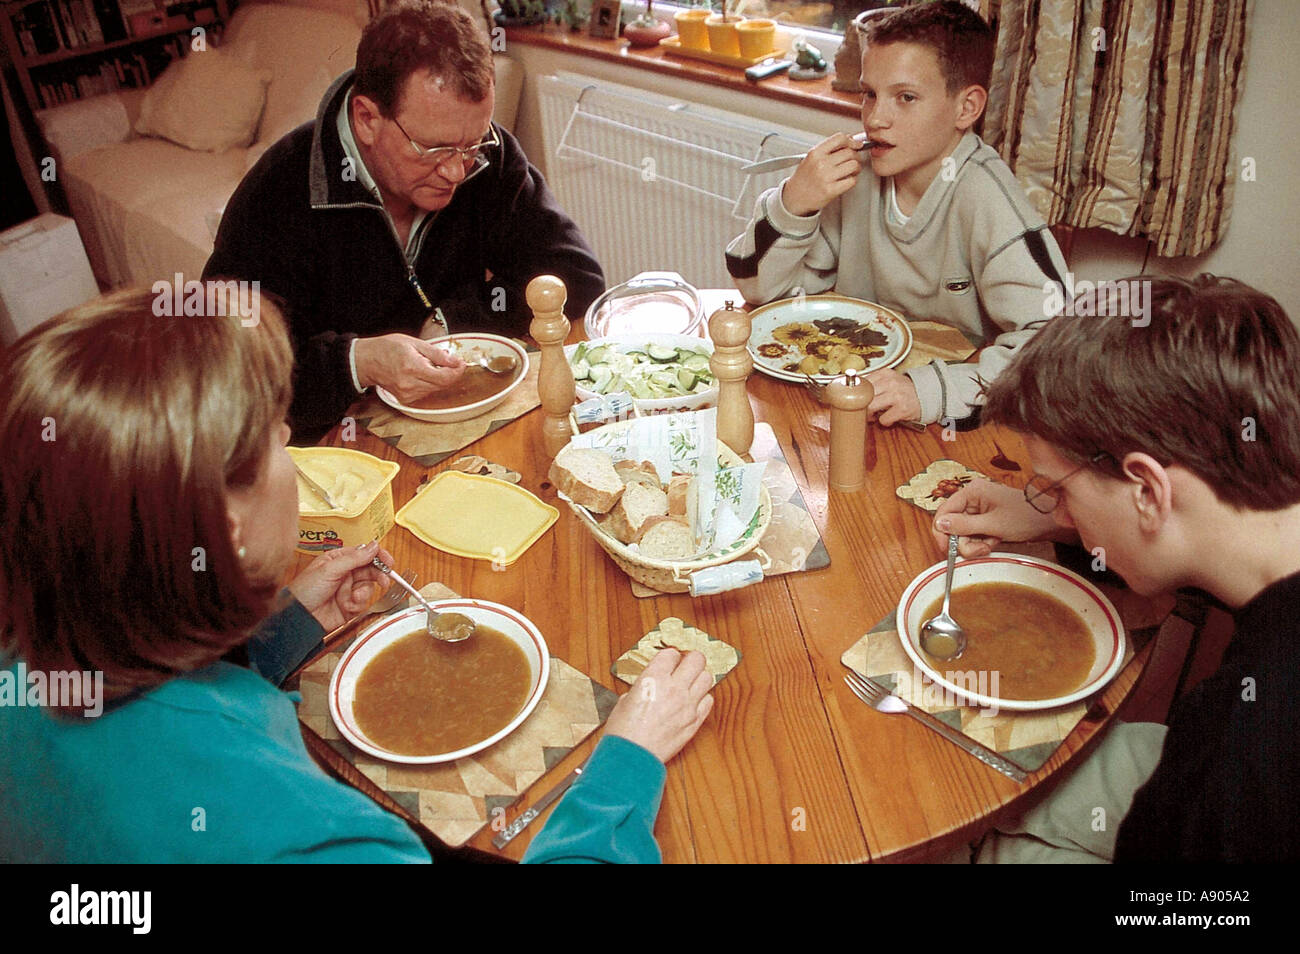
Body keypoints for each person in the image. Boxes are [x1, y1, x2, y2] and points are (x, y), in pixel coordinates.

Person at [0, 288, 712, 864]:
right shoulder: (312, 838)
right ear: (231, 528)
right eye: (276, 433)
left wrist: (280, 633)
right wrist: (624, 763)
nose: (290, 442)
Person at [930, 274, 1300, 862]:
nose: (1056, 507)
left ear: (1148, 491)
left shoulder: (1241, 751)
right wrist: (1053, 517)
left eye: (1059, 489)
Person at [203, 0, 604, 444]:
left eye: (471, 145)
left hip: (459, 418)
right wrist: (356, 362)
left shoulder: (488, 157)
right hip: (333, 446)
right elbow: (231, 374)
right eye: (434, 150)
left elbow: (578, 279)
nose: (457, 171)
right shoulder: (276, 194)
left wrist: (453, 319)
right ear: (367, 119)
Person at [725, 1, 1067, 429]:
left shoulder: (988, 200)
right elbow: (765, 294)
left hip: (946, 419)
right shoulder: (856, 177)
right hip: (844, 399)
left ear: (967, 108)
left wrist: (928, 392)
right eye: (869, 94)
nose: (875, 119)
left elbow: (1055, 349)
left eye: (905, 98)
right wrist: (794, 204)